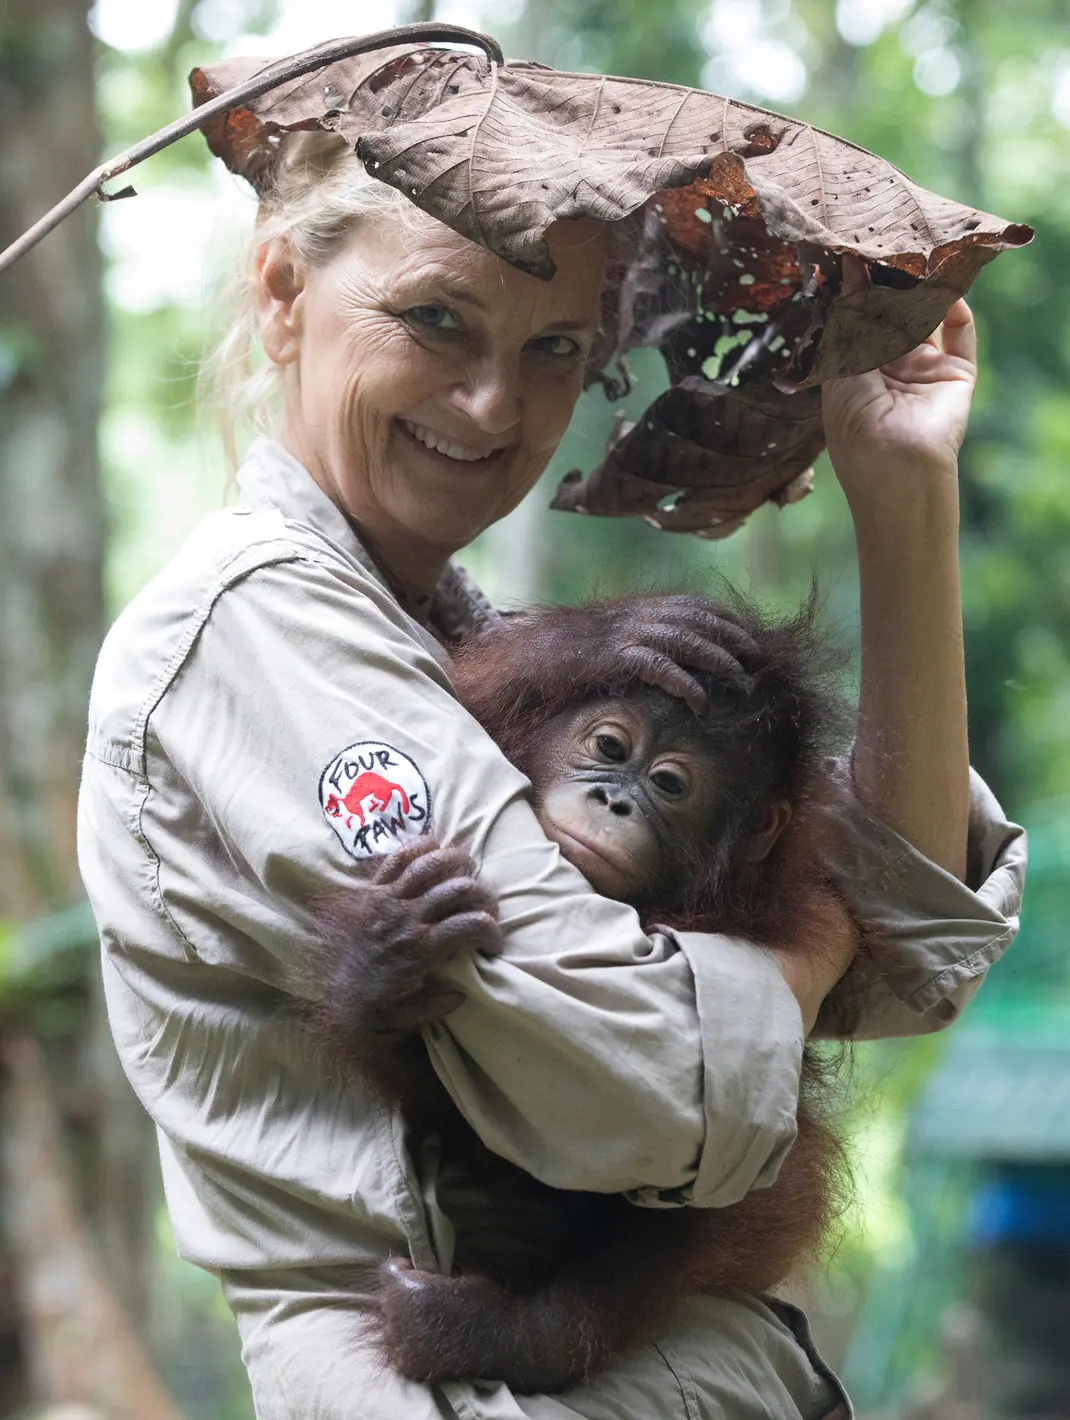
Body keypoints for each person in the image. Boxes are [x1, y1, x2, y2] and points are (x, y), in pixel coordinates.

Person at [77, 131, 1025, 1420]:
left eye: (555, 350)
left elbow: (911, 959)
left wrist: (901, 487)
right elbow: (647, 1084)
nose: (492, 406)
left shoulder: (458, 645)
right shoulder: (263, 624)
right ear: (285, 297)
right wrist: (808, 950)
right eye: (435, 320)